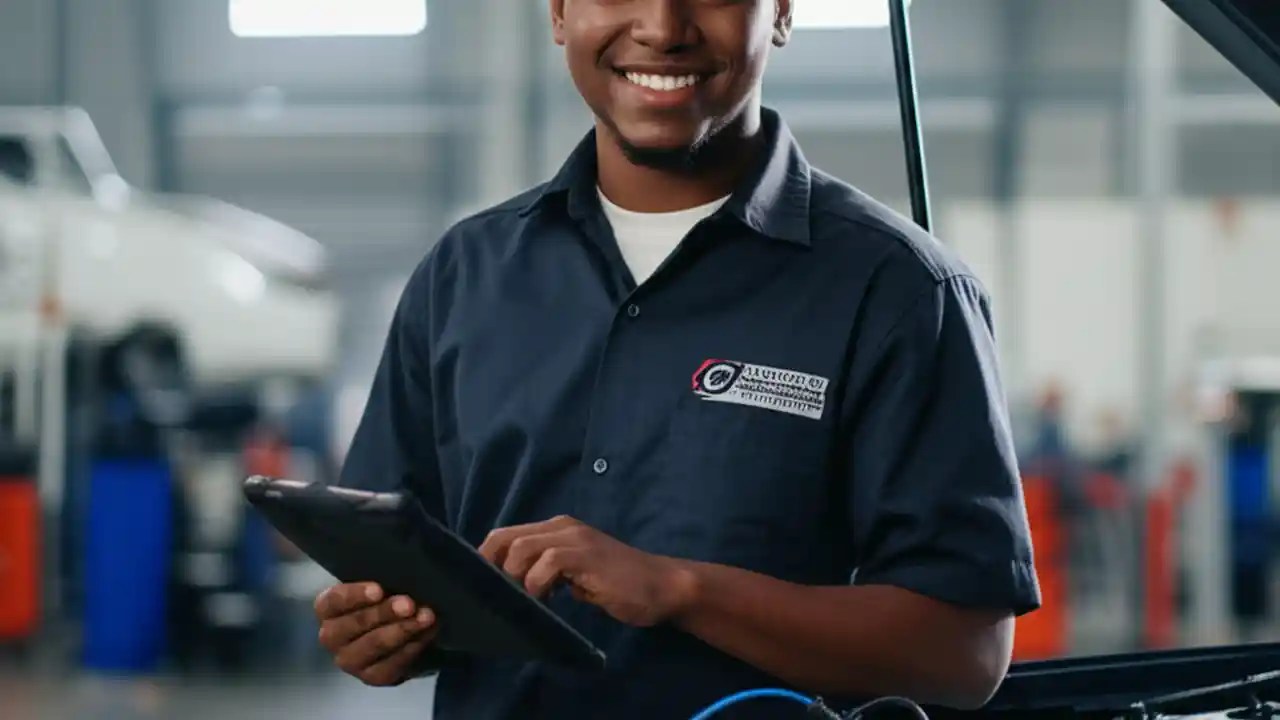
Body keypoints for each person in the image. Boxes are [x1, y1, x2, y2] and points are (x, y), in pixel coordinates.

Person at [313, 1, 1040, 717]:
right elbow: (405, 572)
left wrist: (680, 590)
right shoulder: (463, 276)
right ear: (560, 12)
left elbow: (964, 654)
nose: (662, 28)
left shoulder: (902, 292)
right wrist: (385, 633)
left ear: (782, 13)